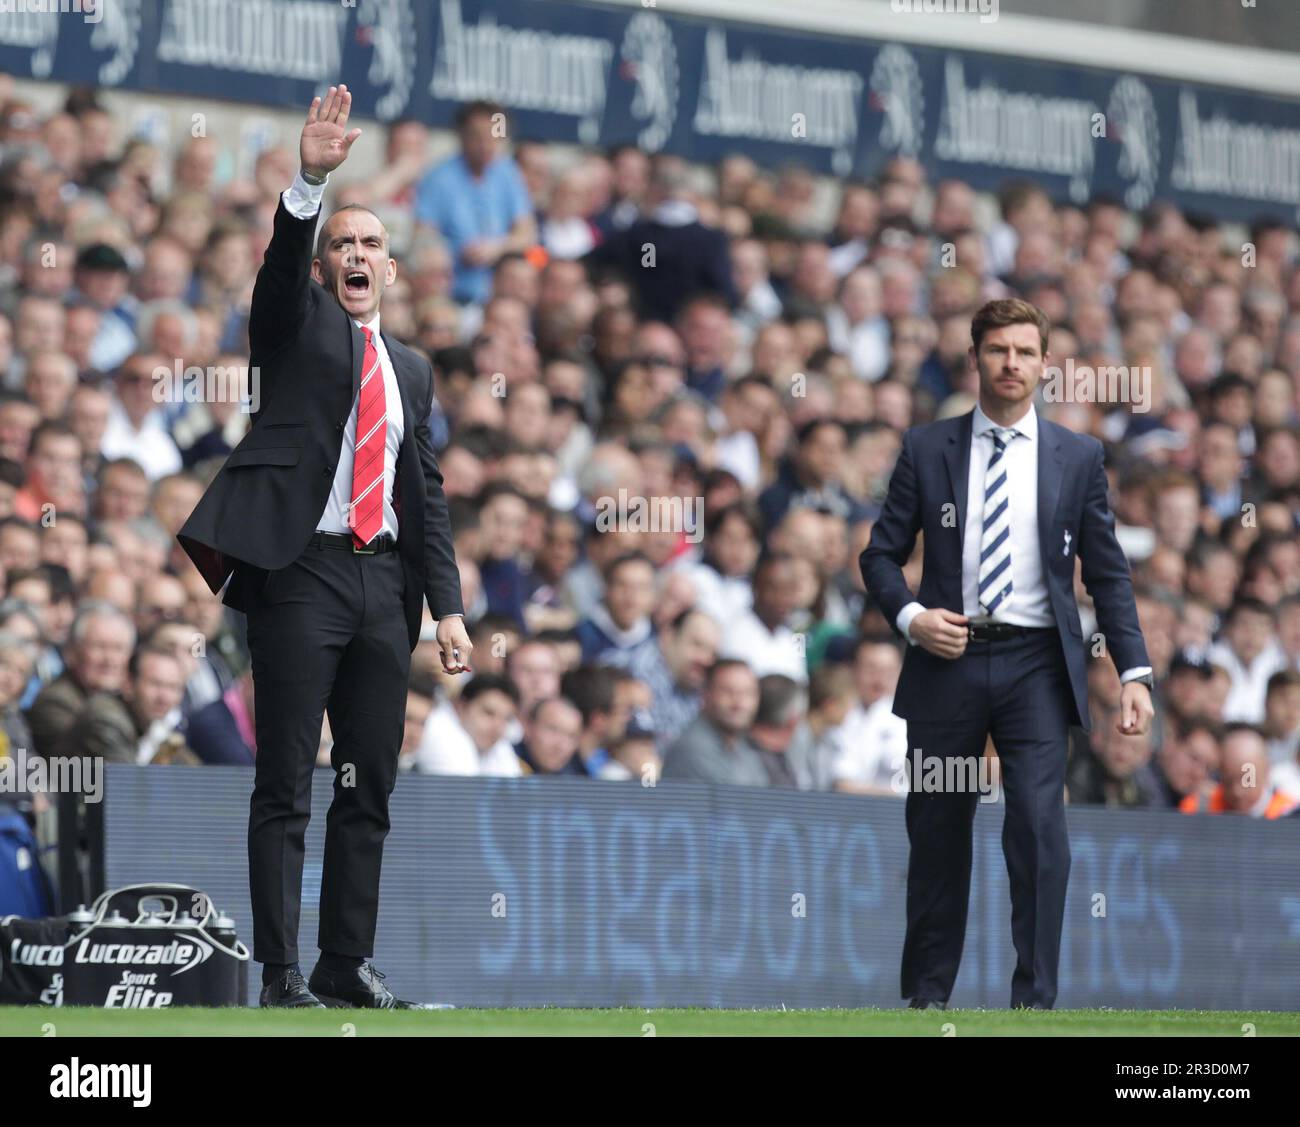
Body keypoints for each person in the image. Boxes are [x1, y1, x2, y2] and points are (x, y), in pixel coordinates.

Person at [176, 87, 473, 1010]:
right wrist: (307, 182)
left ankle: (346, 960)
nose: (355, 254)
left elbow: (425, 496)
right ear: (324, 266)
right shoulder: (297, 327)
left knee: (369, 785)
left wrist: (449, 607)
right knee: (286, 781)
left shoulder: (413, 369)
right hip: (301, 572)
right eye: (340, 243)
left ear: (391, 266)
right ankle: (279, 971)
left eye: (370, 243)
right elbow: (272, 282)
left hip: (385, 585)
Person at [860, 298, 1154, 1011]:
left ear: (1046, 366)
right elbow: (879, 556)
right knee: (937, 828)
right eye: (998, 350)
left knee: (1037, 823)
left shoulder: (1078, 456)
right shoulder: (928, 448)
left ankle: (1034, 1004)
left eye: (1025, 352)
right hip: (945, 656)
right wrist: (911, 617)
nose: (1011, 364)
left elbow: (1106, 570)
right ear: (975, 360)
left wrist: (1134, 671)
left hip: (1035, 665)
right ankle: (926, 1001)